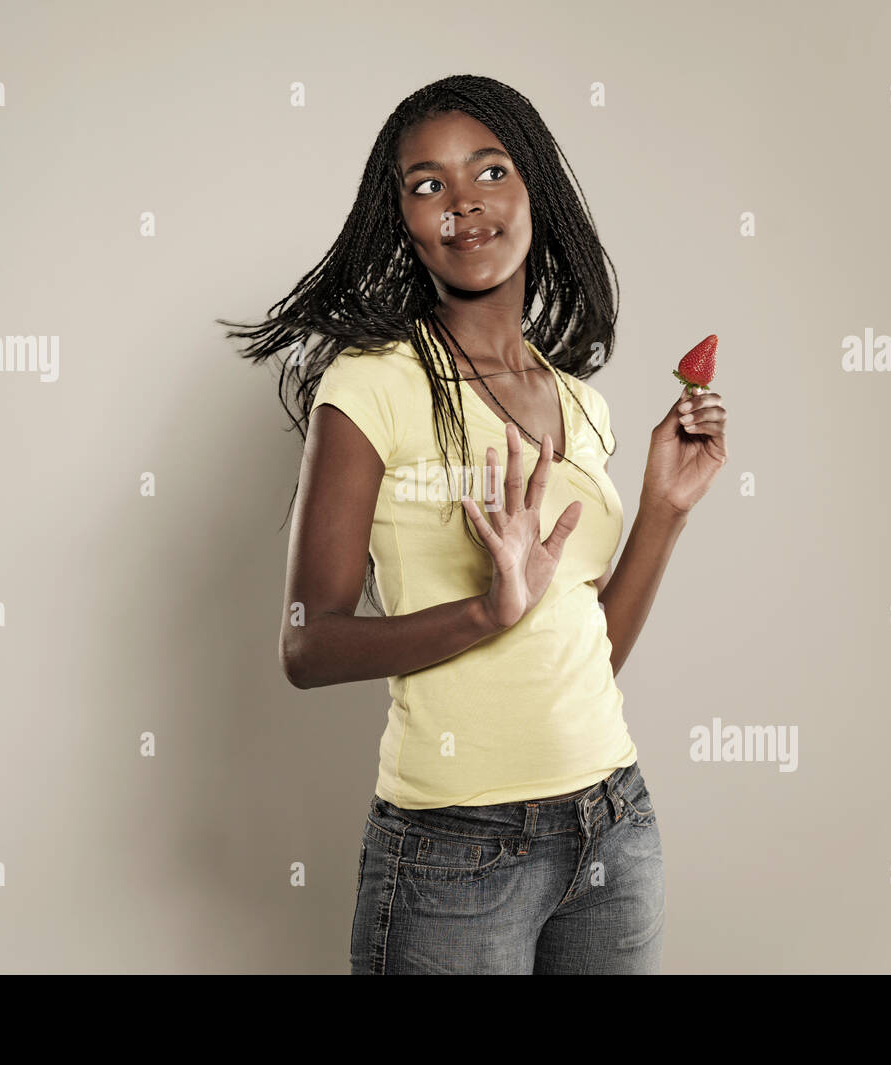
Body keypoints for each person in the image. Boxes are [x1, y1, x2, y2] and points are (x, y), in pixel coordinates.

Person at [219, 74, 727, 974]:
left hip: (614, 825)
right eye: (427, 185)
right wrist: (485, 615)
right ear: (405, 221)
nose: (463, 204)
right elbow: (307, 646)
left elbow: (589, 650)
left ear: (533, 187)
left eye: (489, 171)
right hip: (456, 852)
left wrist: (663, 509)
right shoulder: (373, 385)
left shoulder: (581, 403)